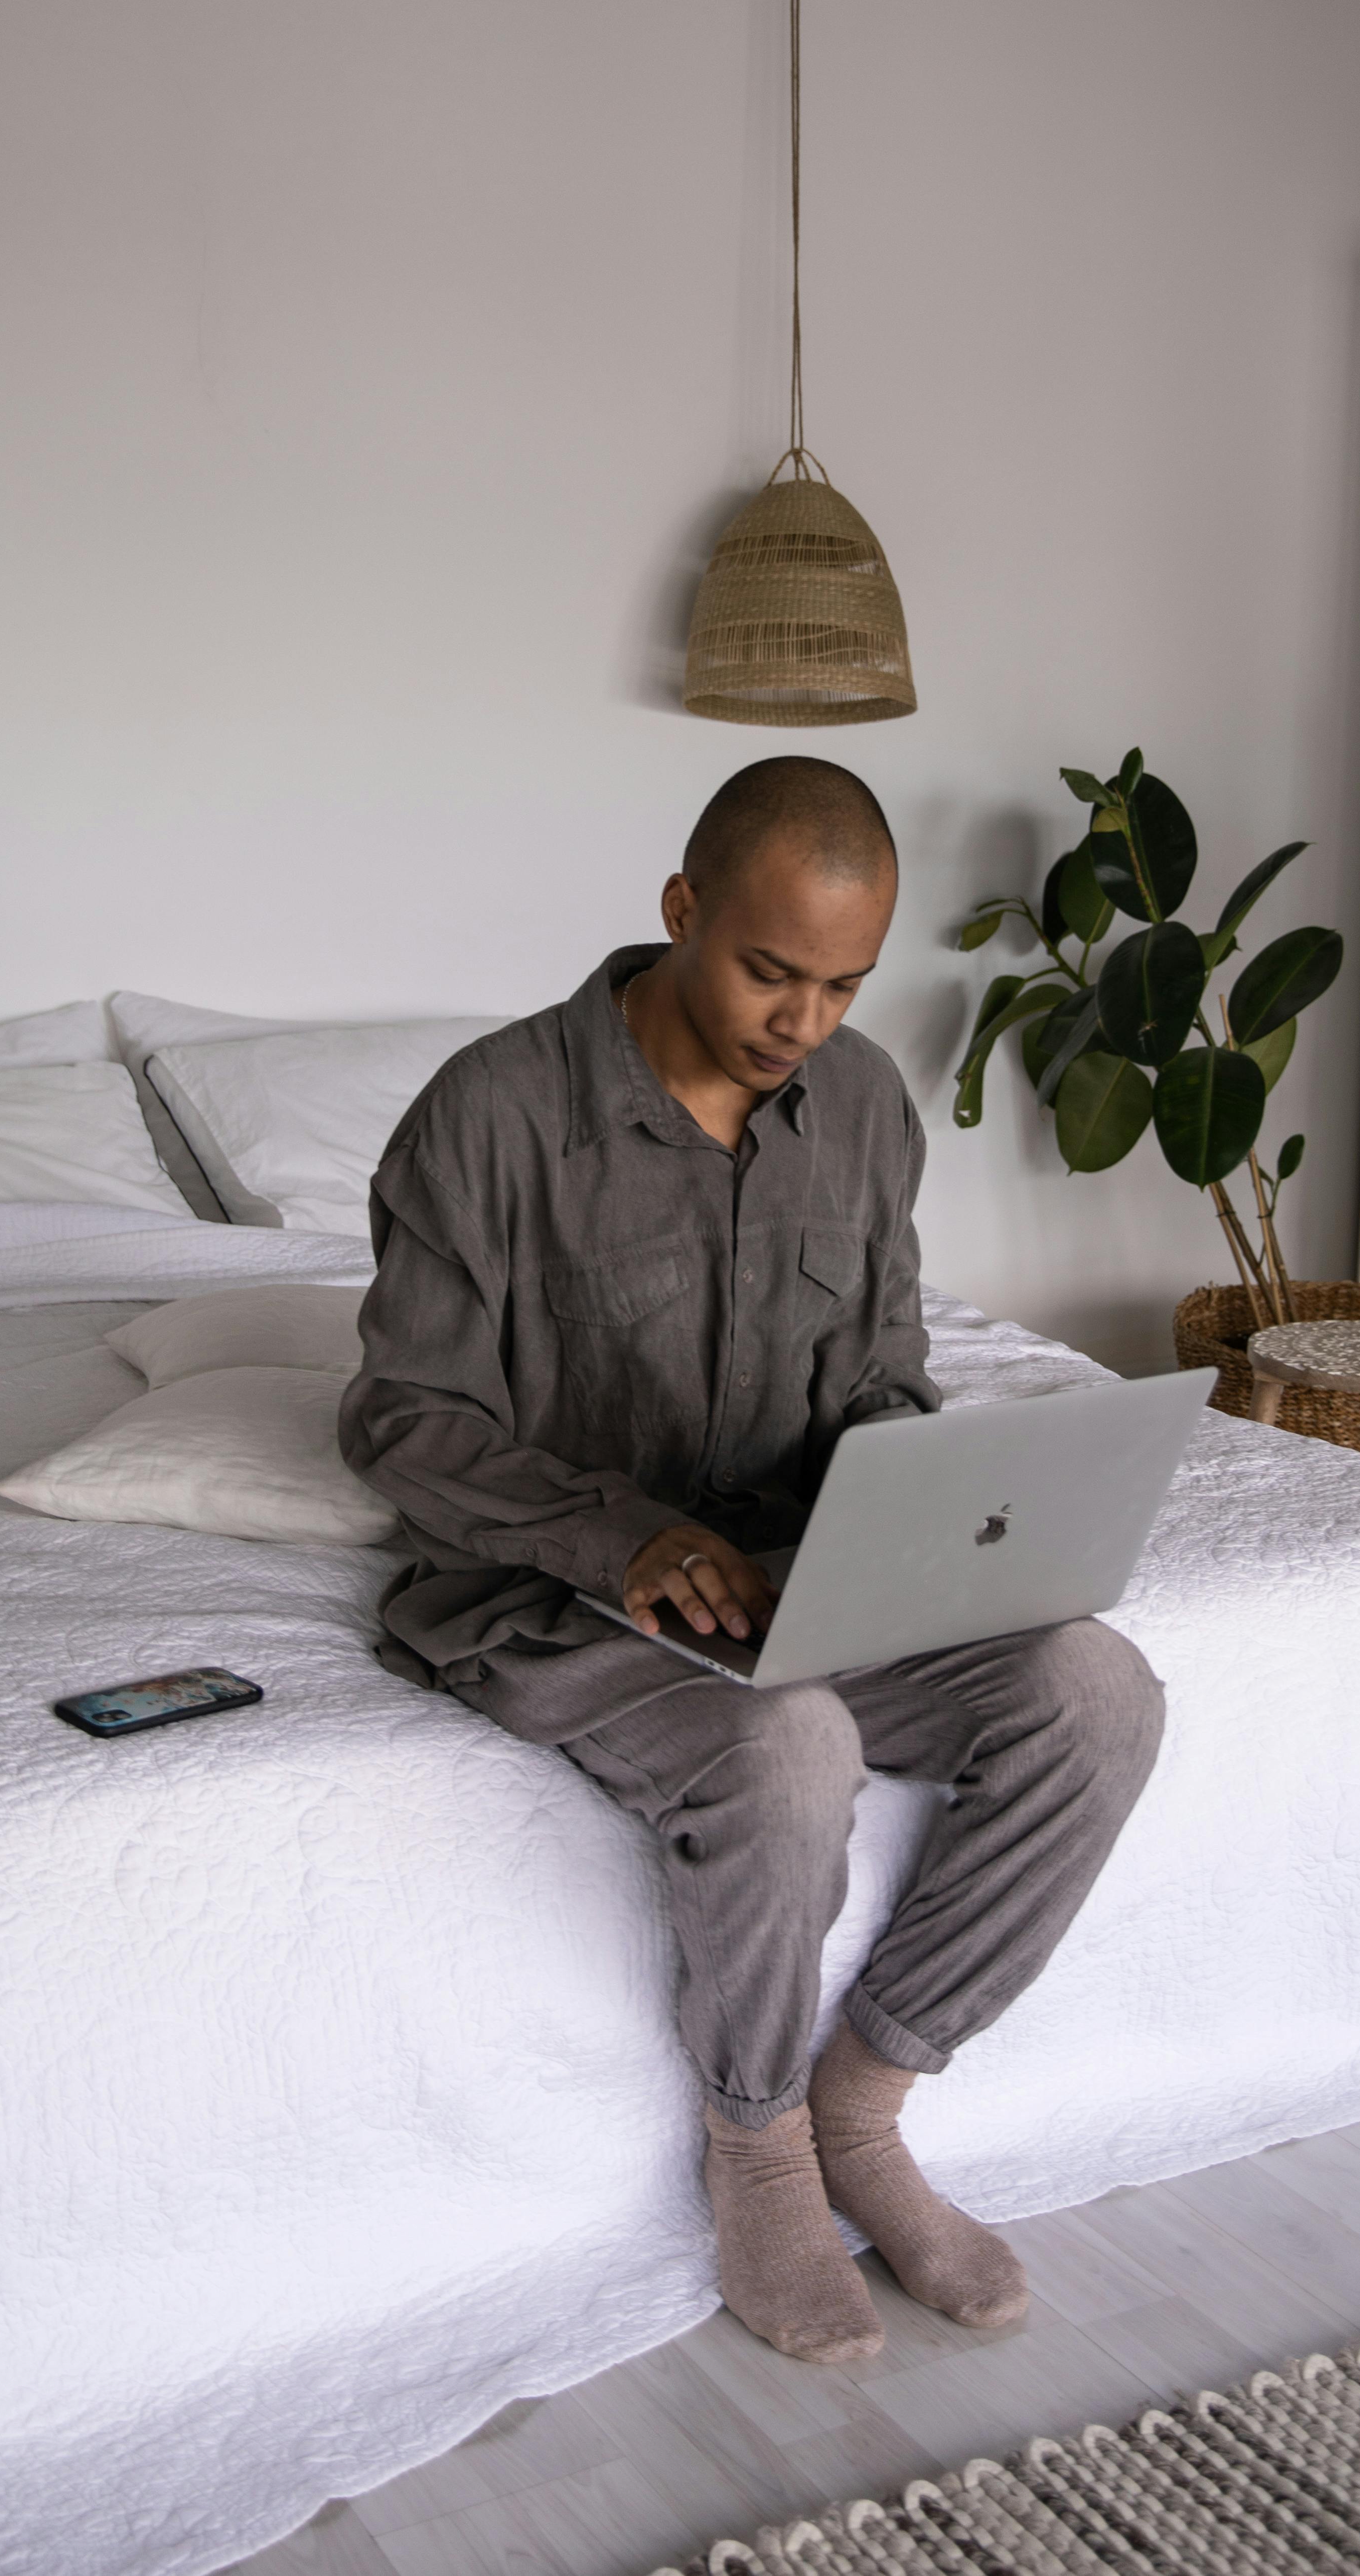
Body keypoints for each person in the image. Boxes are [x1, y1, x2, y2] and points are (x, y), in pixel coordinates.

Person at [339, 757, 1164, 2365]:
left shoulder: (861, 1109)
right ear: (679, 913)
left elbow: (880, 1375)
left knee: (1096, 1689)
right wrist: (620, 1533)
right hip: (543, 1590)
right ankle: (760, 2144)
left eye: (844, 983)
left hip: (801, 1572)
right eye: (768, 971)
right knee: (792, 1743)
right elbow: (402, 1421)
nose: (803, 1019)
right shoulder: (490, 1115)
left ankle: (869, 2100)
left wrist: (915, 1515)